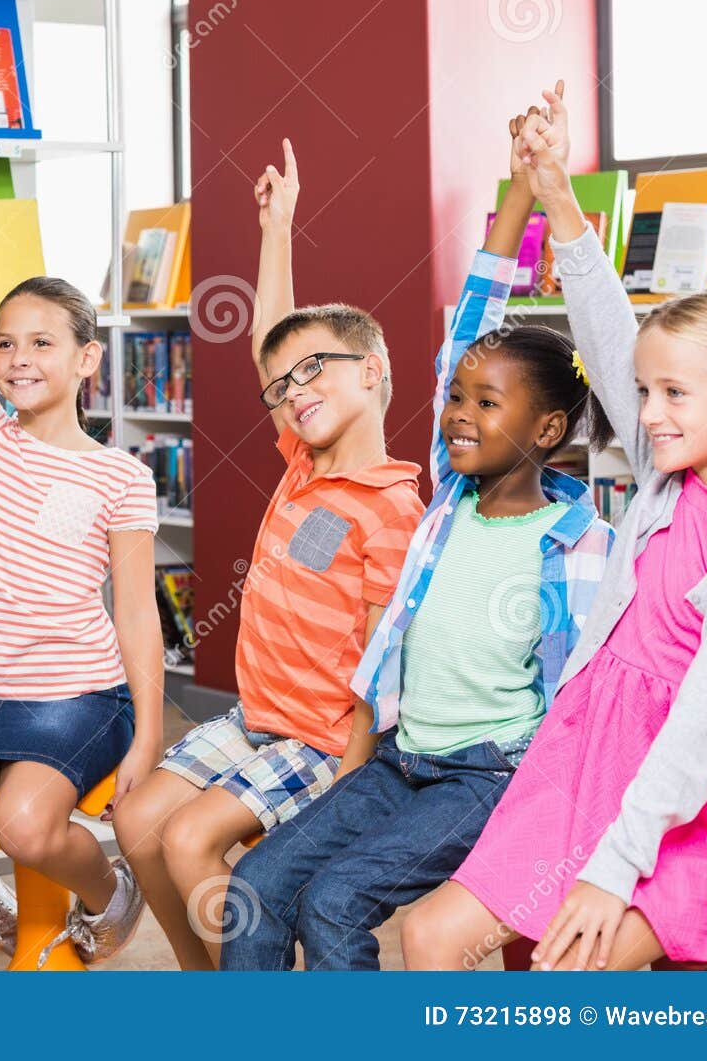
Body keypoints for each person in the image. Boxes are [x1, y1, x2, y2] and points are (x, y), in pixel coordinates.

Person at [404, 83, 707, 972]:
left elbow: (699, 732)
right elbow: (605, 333)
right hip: (585, 753)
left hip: (691, 796)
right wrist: (557, 191)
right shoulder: (661, 478)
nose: (649, 411)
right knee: (433, 935)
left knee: (578, 965)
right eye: (645, 392)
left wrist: (610, 871)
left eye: (674, 393)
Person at [221, 102, 614, 970]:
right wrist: (517, 188)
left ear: (548, 430)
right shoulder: (448, 503)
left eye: (486, 402)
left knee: (332, 903)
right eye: (456, 397)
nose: (459, 414)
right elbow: (474, 315)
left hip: (486, 777)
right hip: (403, 758)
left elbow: (577, 701)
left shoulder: (580, 541)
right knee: (254, 888)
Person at [112, 140, 424, 969]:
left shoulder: (391, 504)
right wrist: (276, 228)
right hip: (257, 718)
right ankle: (210, 987)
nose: (296, 387)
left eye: (317, 368)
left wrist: (354, 782)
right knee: (135, 821)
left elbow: (384, 666)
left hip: (323, 740)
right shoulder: (301, 463)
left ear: (374, 370)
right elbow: (270, 344)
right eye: (284, 385)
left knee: (189, 842)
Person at [0, 107, 165, 967]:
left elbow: (136, 615)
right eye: (5, 341)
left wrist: (150, 737)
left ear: (86, 360)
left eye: (42, 342)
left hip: (81, 695)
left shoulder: (120, 475)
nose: (16, 357)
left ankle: (113, 892)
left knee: (23, 819)